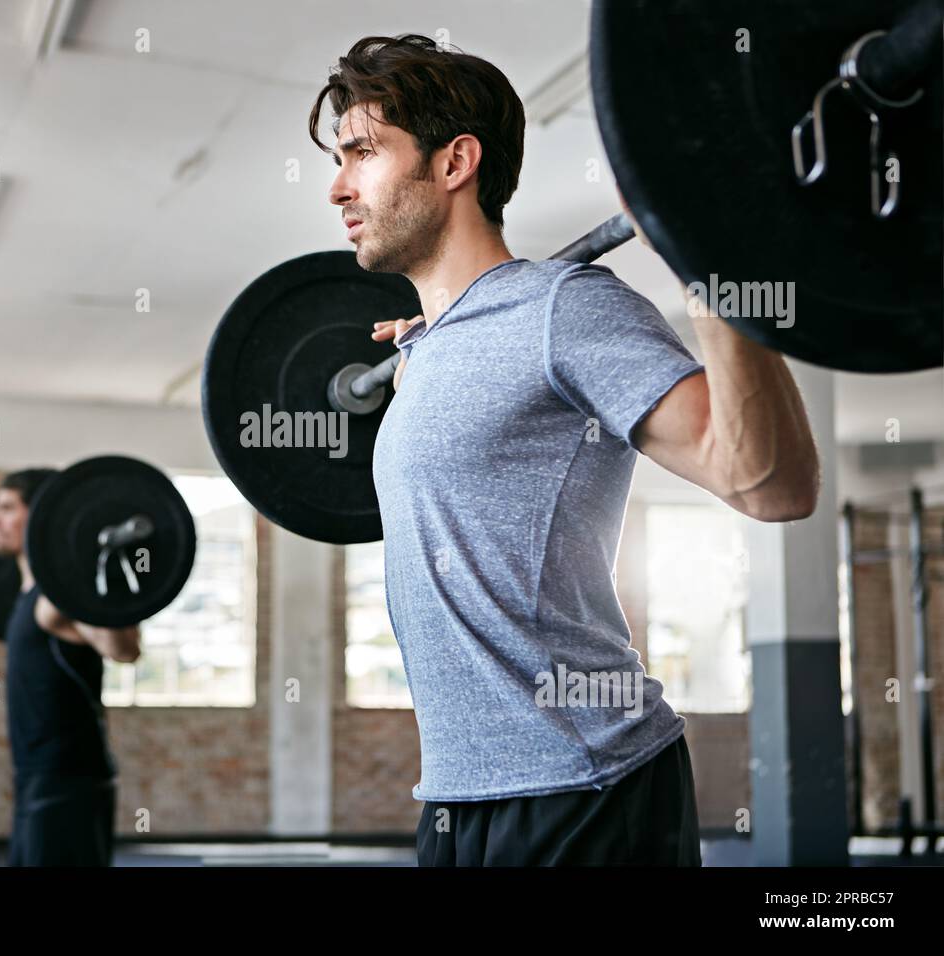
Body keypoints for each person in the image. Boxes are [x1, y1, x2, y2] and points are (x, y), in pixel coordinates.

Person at [308, 35, 819, 865]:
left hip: (583, 789)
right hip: (457, 796)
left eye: (362, 152)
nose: (337, 188)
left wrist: (712, 266)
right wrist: (432, 354)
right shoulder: (425, 350)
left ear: (454, 163)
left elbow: (772, 485)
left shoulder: (565, 311)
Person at [0, 468, 141, 866]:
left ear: (38, 515)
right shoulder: (27, 597)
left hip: (68, 782)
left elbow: (123, 648)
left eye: (6, 509)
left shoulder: (56, 602)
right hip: (34, 778)